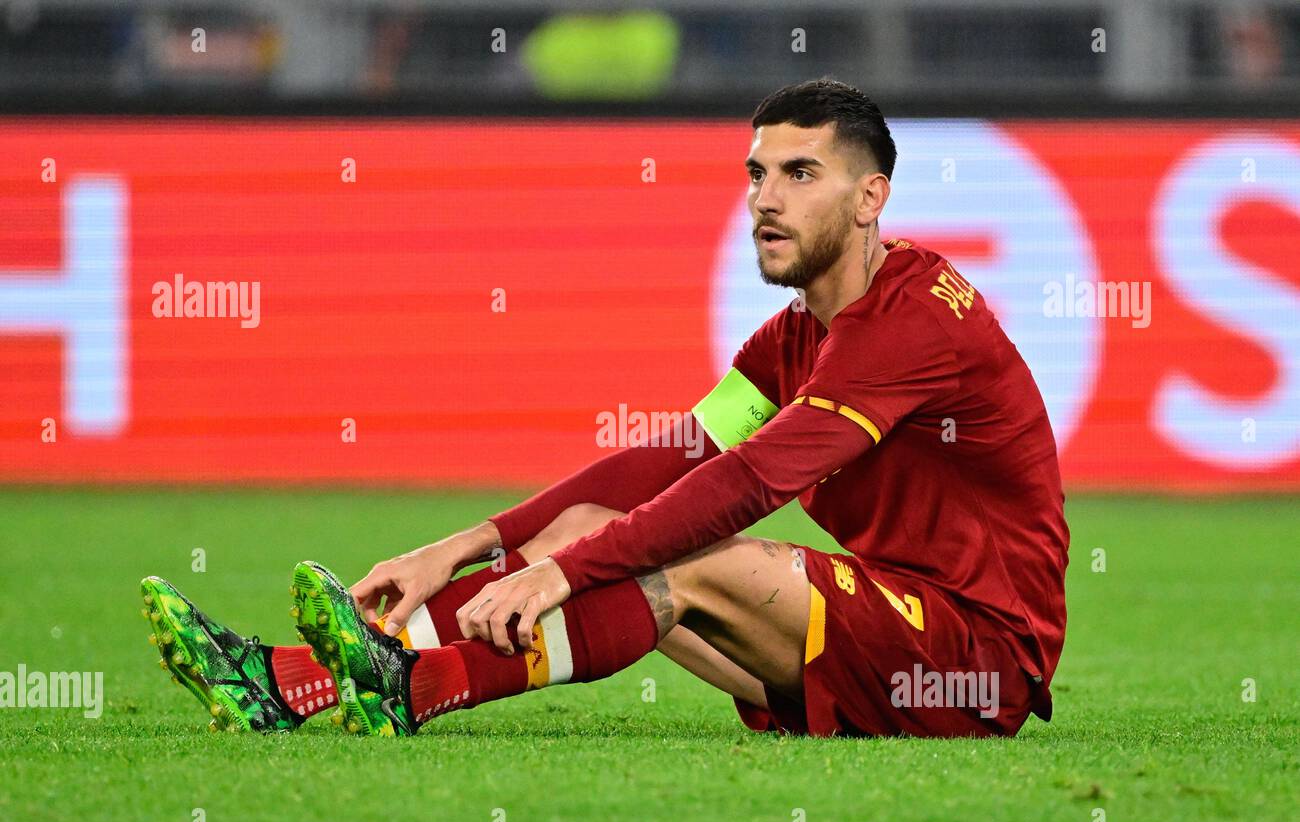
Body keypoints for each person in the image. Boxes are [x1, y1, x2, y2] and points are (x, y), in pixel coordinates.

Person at [140, 77, 1068, 739]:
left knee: (691, 563)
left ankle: (418, 690)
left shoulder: (909, 322)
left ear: (872, 198)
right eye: (755, 174)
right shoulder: (791, 340)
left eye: (798, 175)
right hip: (874, 638)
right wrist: (470, 543)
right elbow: (668, 457)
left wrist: (567, 573)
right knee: (599, 523)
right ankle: (284, 681)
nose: (764, 200)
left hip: (976, 661)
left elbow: (747, 481)